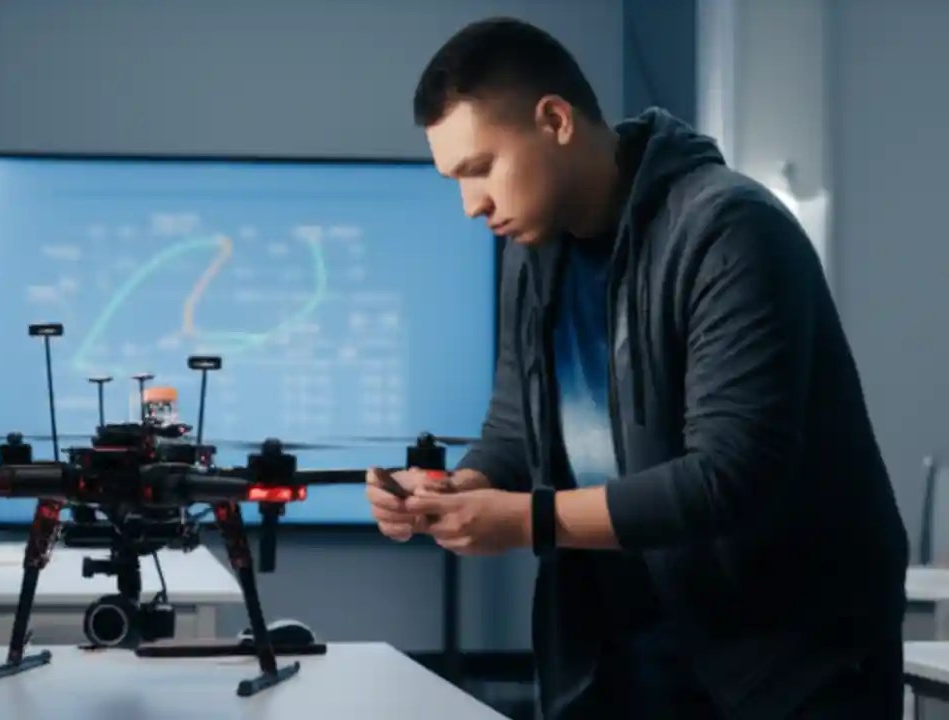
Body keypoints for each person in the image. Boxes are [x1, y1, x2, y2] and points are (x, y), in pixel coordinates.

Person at [366, 17, 909, 720]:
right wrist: (459, 489)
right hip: (629, 655)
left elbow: (730, 475)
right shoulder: (534, 256)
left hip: (789, 659)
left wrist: (526, 520)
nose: (472, 204)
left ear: (555, 120)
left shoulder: (729, 229)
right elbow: (517, 429)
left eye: (480, 168)